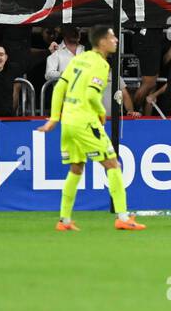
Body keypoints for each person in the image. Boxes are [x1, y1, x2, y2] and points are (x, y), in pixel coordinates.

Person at [36, 26, 145, 232]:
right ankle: (123, 216)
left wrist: (54, 118)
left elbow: (59, 87)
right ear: (101, 42)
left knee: (76, 168)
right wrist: (101, 112)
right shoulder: (101, 65)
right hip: (85, 121)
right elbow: (92, 96)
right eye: (112, 37)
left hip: (68, 121)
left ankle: (64, 220)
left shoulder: (78, 59)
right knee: (113, 165)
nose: (116, 40)